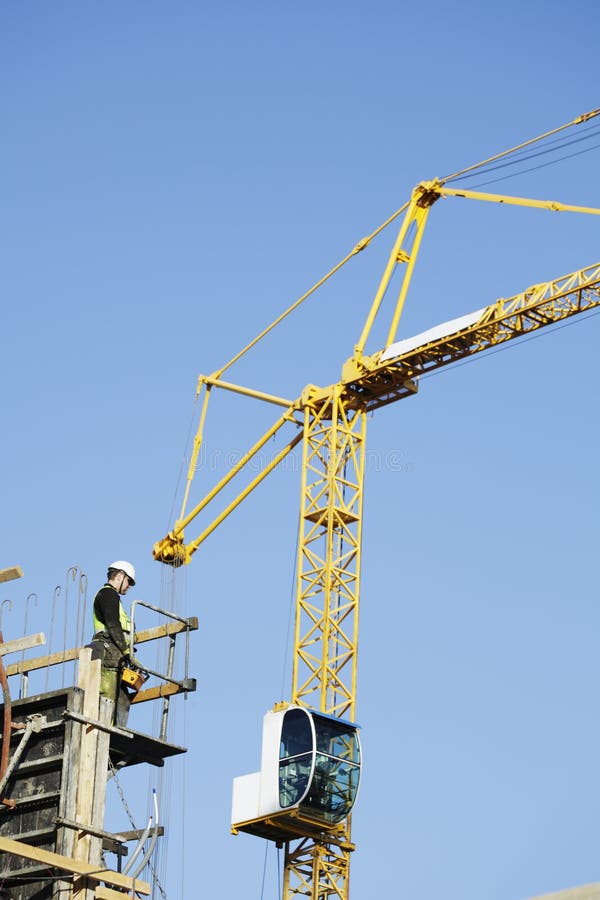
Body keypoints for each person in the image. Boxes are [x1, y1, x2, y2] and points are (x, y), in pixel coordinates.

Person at [89, 560, 137, 727]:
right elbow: (113, 625)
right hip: (108, 652)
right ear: (120, 575)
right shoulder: (108, 594)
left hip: (115, 655)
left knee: (121, 698)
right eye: (129, 581)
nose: (129, 586)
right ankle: (104, 732)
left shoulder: (115, 599)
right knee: (107, 697)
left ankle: (114, 732)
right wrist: (126, 650)